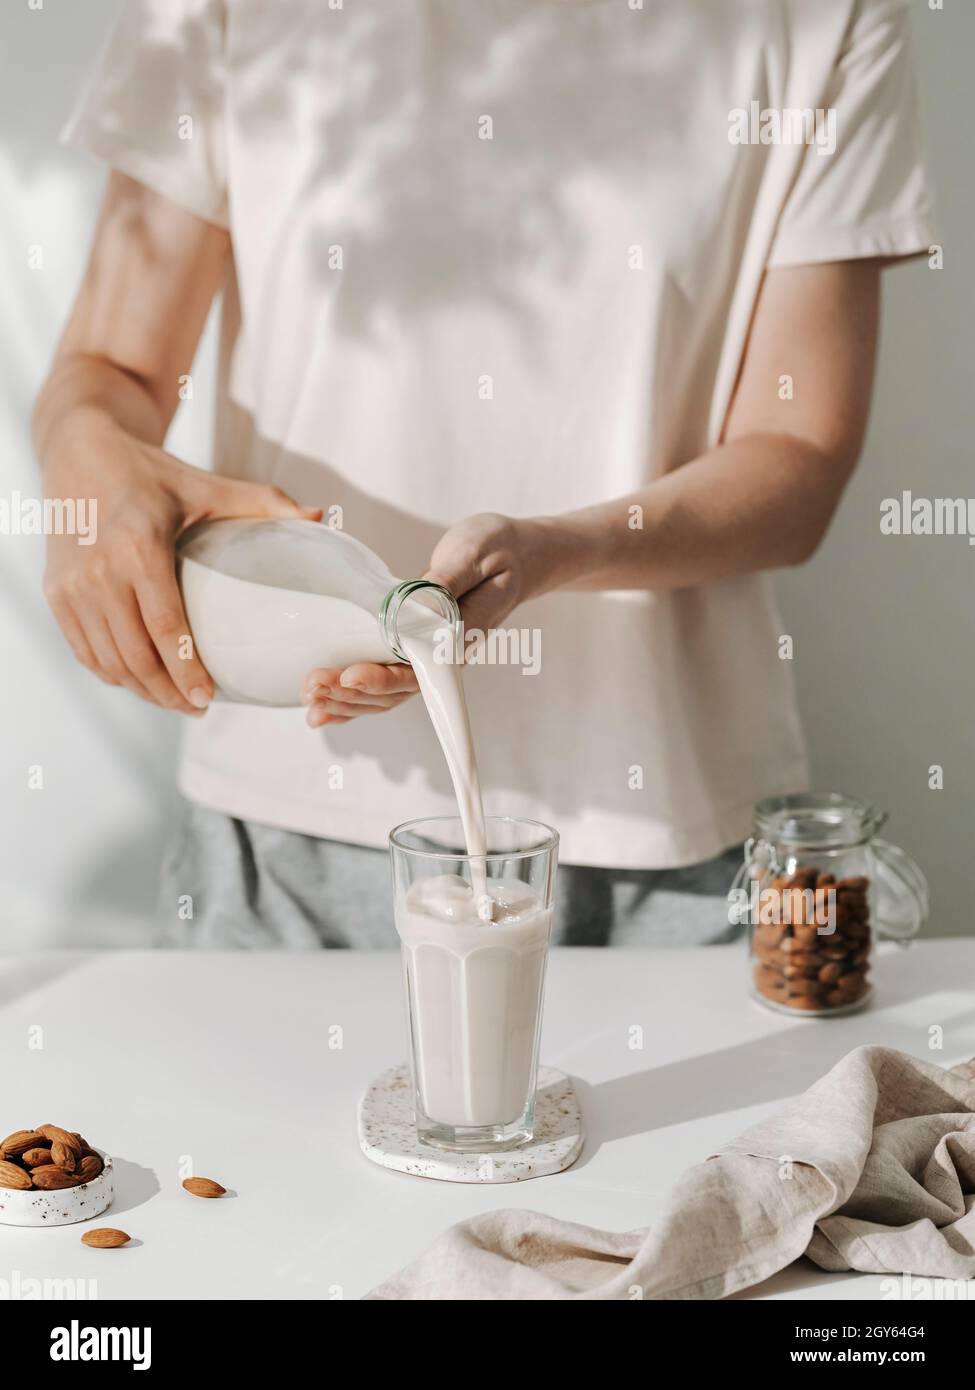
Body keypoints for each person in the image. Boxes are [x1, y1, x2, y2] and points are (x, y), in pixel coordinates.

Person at [34, 0, 937, 948]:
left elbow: (794, 465)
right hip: (287, 844)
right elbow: (110, 372)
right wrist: (86, 466)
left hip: (667, 853)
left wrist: (559, 552)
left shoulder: (826, 16)